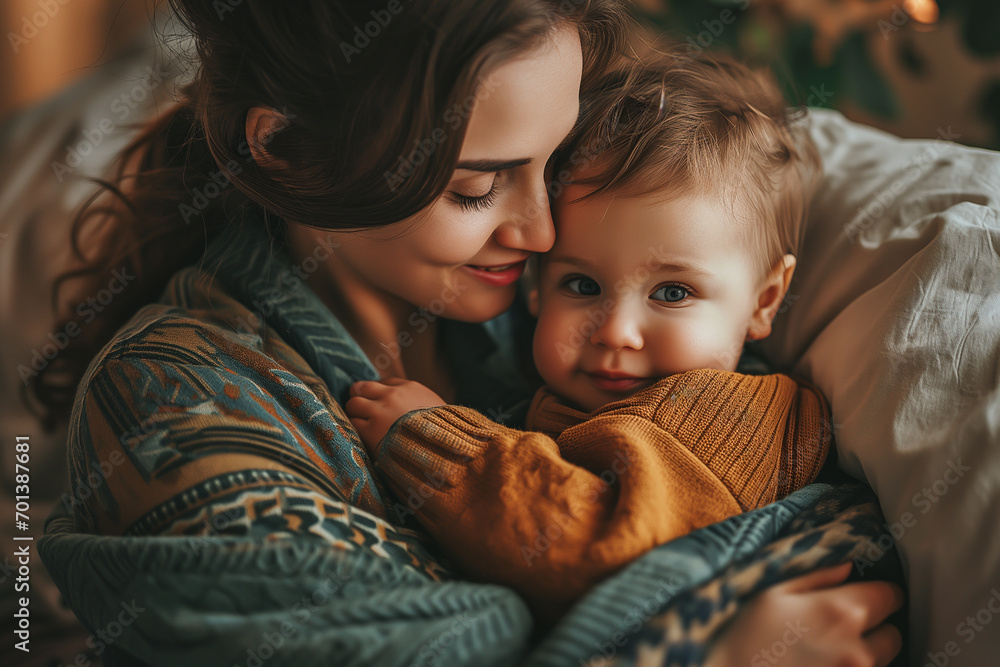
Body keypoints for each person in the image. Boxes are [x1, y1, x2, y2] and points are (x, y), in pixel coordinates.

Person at [34, 2, 903, 665]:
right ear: (291, 149)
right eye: (477, 188)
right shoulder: (164, 396)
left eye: (552, 165)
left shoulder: (563, 307)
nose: (541, 232)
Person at [343, 51, 834, 628]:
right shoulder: (552, 388)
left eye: (672, 293)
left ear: (764, 301)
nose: (617, 332)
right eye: (581, 284)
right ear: (536, 287)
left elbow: (596, 555)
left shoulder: (731, 414)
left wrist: (433, 438)